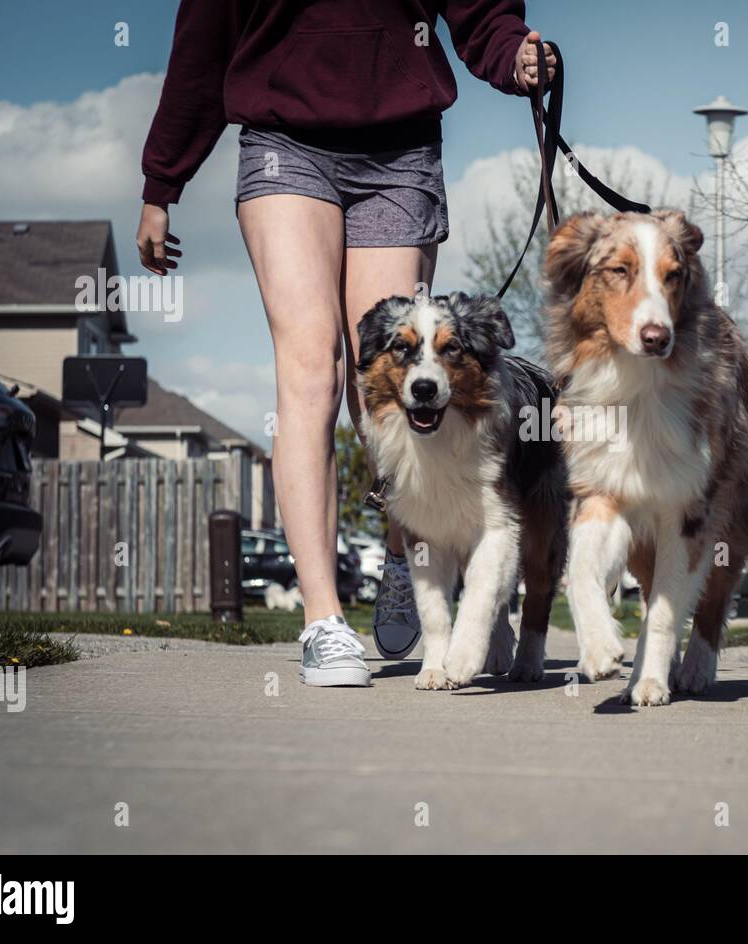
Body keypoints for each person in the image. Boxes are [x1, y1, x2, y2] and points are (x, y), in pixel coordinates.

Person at [137, 1, 556, 686]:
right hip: (282, 143)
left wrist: (513, 54)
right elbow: (203, 42)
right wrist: (163, 180)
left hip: (400, 148)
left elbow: (479, 10)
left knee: (385, 381)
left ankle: (406, 550)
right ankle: (324, 622)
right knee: (311, 371)